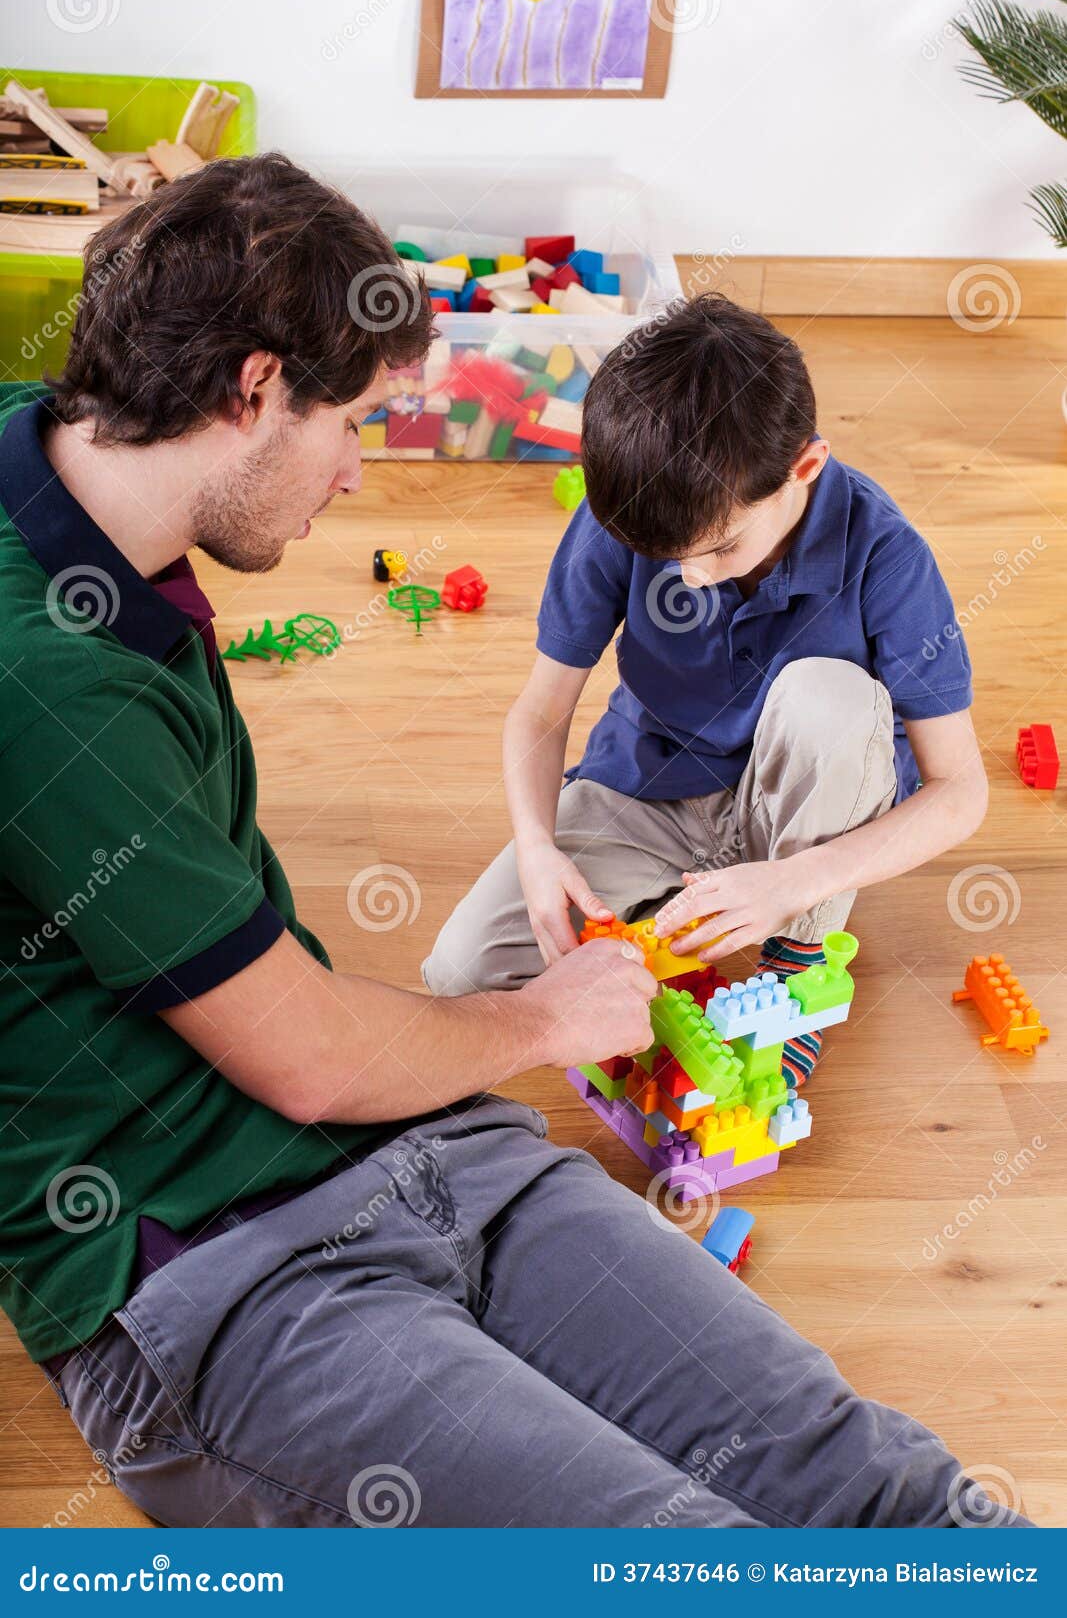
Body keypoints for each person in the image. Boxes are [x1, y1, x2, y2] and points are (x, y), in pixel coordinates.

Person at [0, 157, 1024, 1528]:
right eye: (354, 424)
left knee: (876, 1481)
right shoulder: (50, 682)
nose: (363, 473)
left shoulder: (56, 454)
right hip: (205, 1272)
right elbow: (302, 1051)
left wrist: (510, 1035)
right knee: (680, 1553)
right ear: (251, 391)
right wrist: (541, 1014)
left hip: (418, 1143)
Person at [424, 295, 986, 1089]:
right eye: (667, 556)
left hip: (803, 820)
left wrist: (796, 883)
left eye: (719, 548)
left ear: (804, 468)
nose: (690, 578)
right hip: (648, 787)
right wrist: (538, 849)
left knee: (829, 695)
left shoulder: (886, 556)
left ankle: (796, 950)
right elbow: (541, 710)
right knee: (459, 973)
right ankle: (673, 920)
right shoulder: (631, 508)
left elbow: (959, 790)